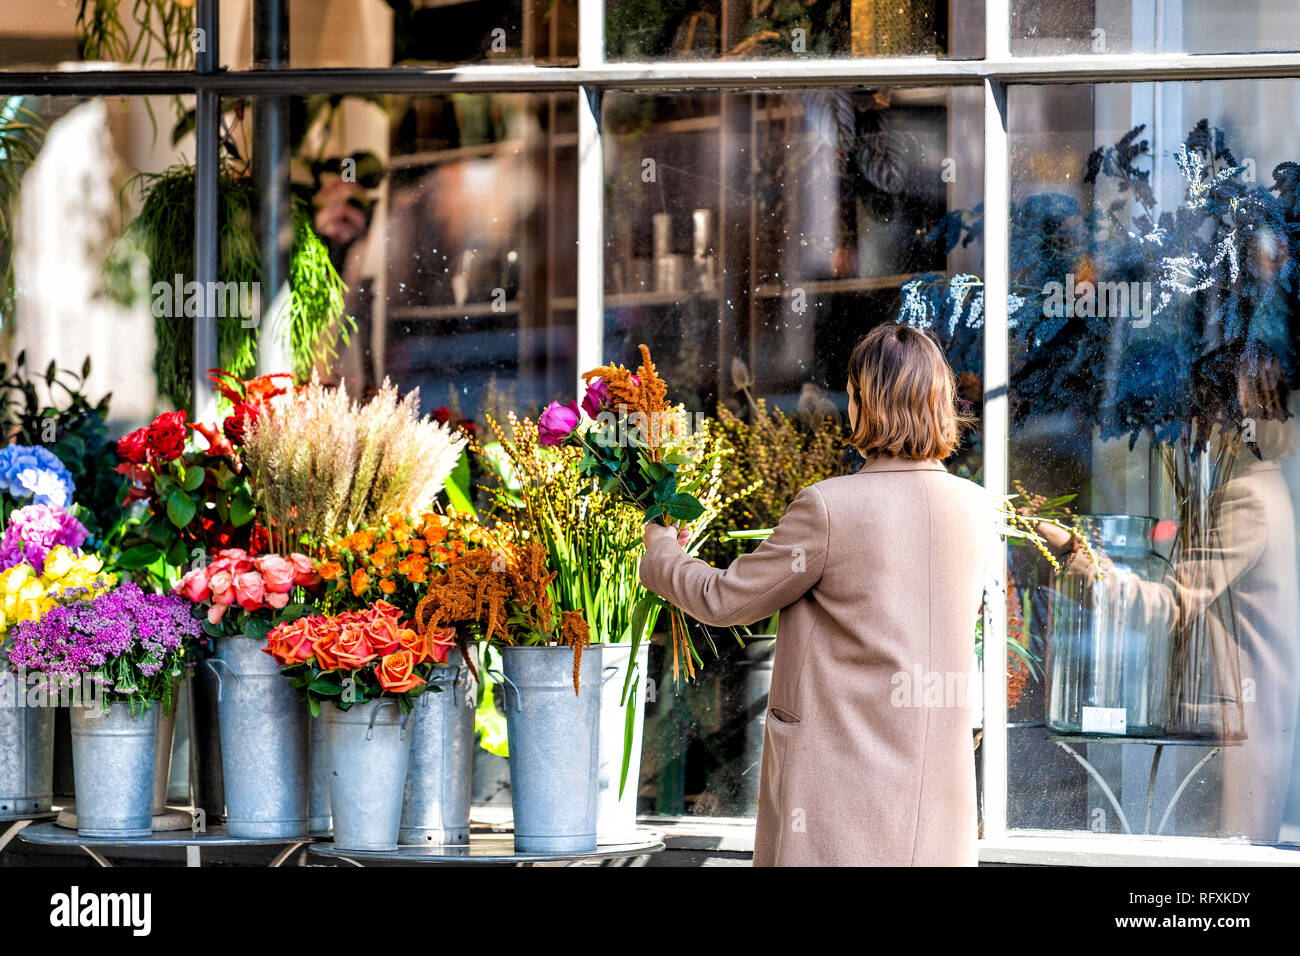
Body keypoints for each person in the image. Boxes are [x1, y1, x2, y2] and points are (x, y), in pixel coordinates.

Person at [640, 323, 994, 865]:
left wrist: (661, 551)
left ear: (862, 403)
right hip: (936, 804)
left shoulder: (829, 508)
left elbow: (726, 600)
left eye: (851, 394)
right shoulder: (974, 508)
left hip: (841, 799)